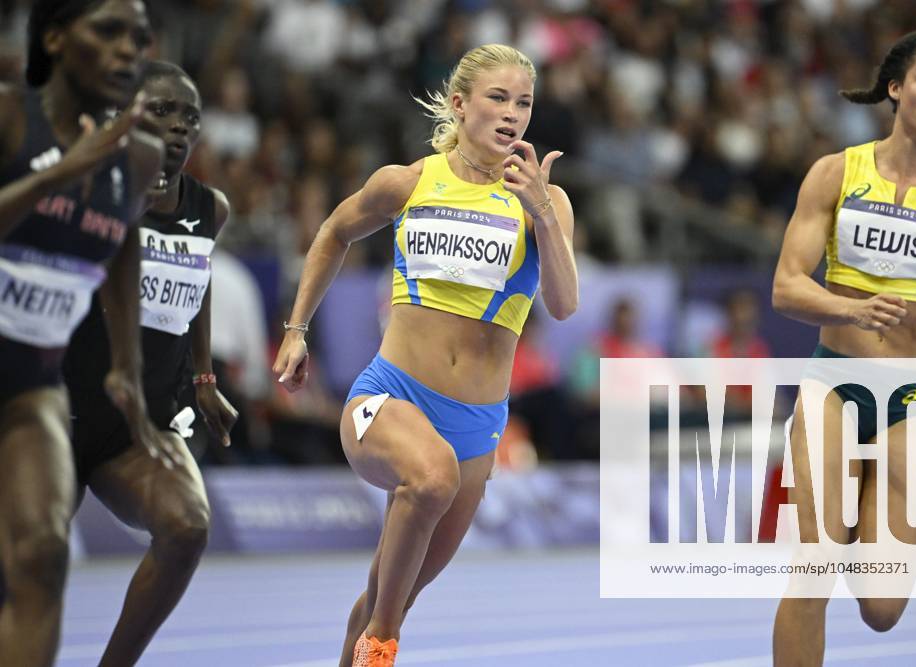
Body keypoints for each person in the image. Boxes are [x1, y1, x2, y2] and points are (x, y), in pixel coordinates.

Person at [272, 43, 578, 667]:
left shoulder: (544, 203)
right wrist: (297, 328)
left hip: (476, 427)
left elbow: (565, 304)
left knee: (391, 590)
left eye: (523, 102)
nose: (513, 112)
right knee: (428, 479)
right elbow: (332, 232)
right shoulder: (407, 182)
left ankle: (376, 631)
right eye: (498, 97)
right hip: (387, 399)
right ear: (459, 103)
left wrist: (542, 214)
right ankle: (384, 643)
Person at [770, 30, 916, 665]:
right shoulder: (837, 173)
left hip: (911, 399)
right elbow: (786, 287)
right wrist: (851, 308)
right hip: (833, 383)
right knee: (813, 565)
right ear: (896, 87)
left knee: (880, 608)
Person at [0, 1, 167, 665]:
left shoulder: (141, 154)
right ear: (56, 37)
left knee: (42, 552)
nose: (129, 50)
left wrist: (125, 364)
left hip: (30, 385)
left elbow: (123, 244)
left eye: (140, 38)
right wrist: (65, 170)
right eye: (109, 31)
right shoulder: (10, 116)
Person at [62, 60, 237, 666]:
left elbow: (199, 272)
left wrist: (204, 375)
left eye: (189, 117)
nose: (178, 128)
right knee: (29, 558)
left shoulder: (208, 207)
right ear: (123, 114)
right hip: (55, 411)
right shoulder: (82, 186)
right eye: (161, 111)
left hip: (138, 426)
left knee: (187, 525)